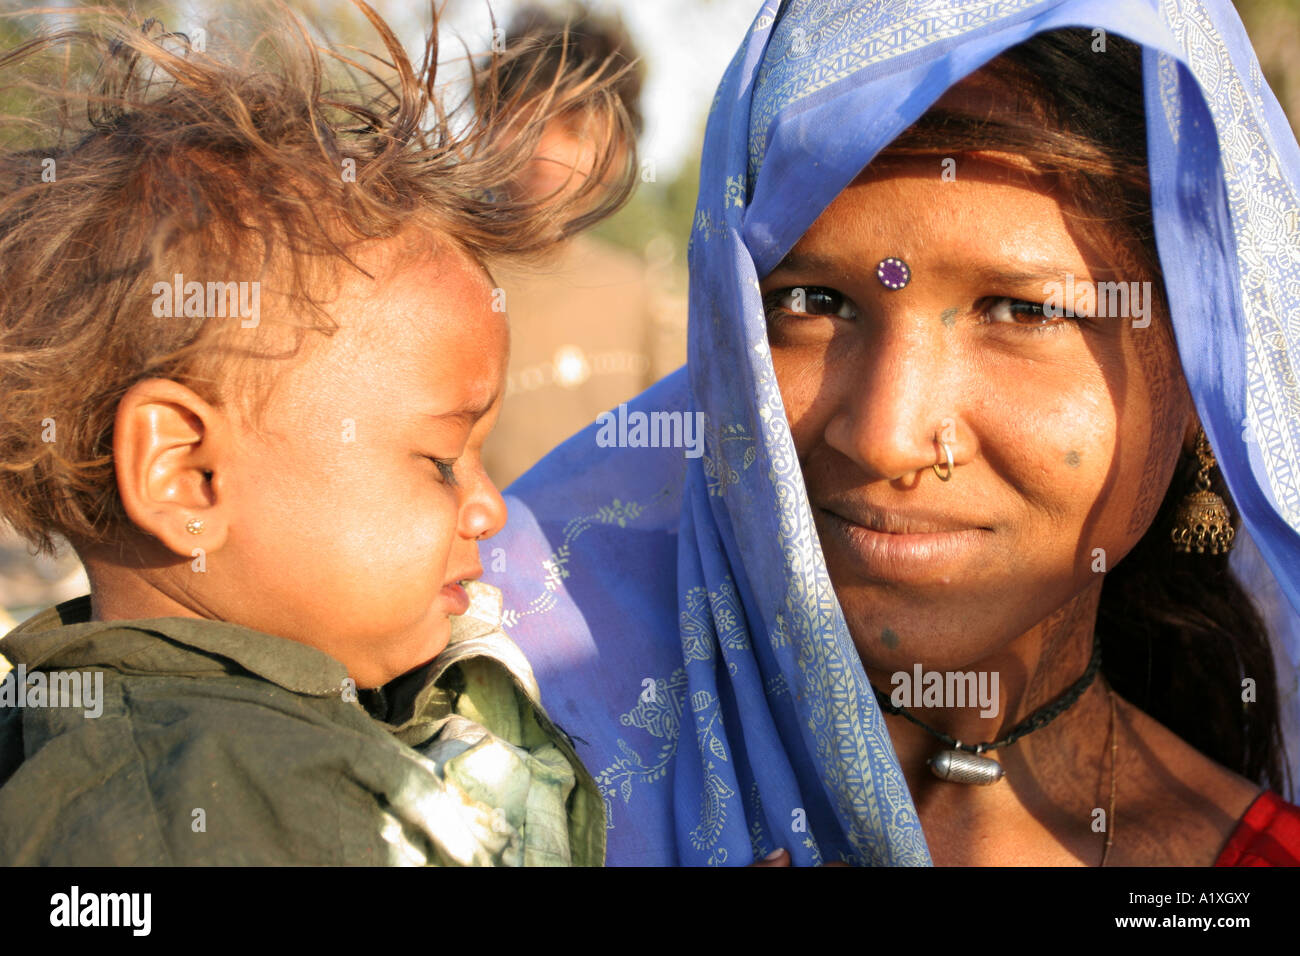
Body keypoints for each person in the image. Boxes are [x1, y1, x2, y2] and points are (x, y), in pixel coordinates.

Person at [483, 0, 1300, 866]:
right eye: (812, 302)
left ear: (1209, 379)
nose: (885, 435)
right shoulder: (502, 741)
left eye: (1025, 311)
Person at [0, 1, 631, 865]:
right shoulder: (228, 809)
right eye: (441, 461)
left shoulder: (253, 724)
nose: (488, 509)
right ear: (188, 476)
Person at [480, 3, 686, 489]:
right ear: (483, 129)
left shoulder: (644, 295)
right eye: (521, 121)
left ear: (619, 150)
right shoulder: (445, 287)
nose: (543, 151)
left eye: (574, 129)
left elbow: (676, 469)